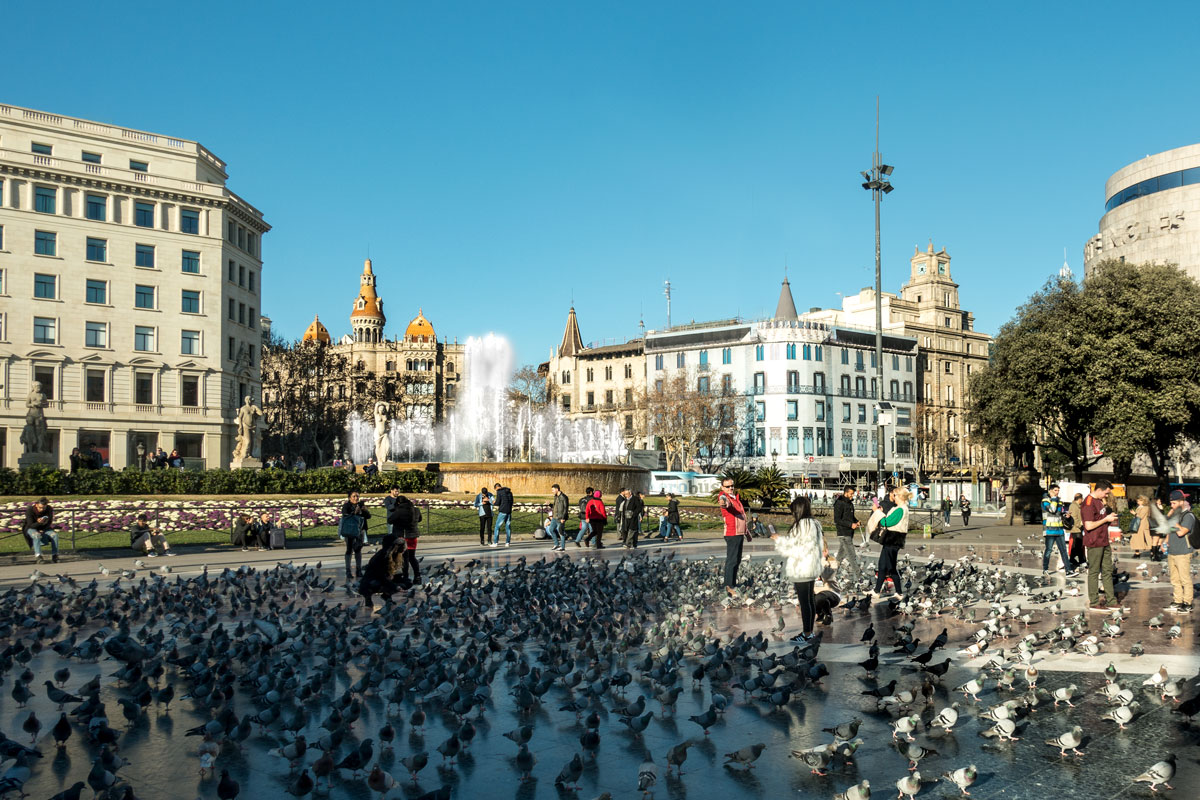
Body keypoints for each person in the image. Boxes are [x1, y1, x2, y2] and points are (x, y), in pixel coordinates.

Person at [771, 495, 828, 642]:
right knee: (809, 600)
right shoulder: (815, 524)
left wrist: (778, 540)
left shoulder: (801, 526)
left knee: (804, 603)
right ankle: (810, 632)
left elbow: (793, 549)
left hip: (801, 567)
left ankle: (807, 633)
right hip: (811, 566)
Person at [1081, 479, 1120, 610]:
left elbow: (1100, 520)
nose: (1107, 496)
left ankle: (1111, 600)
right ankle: (1094, 602)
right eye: (1106, 493)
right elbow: (1089, 525)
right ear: (1099, 490)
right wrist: (1106, 519)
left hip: (1103, 540)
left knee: (1108, 571)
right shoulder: (1088, 503)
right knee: (1094, 572)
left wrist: (1109, 519)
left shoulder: (1099, 501)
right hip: (1094, 541)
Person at [871, 487, 911, 600]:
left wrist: (877, 512)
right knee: (883, 565)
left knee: (890, 566)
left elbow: (886, 522)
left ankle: (898, 592)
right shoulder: (899, 508)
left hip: (893, 539)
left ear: (901, 497)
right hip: (892, 540)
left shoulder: (900, 509)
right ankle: (877, 590)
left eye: (895, 495)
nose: (893, 497)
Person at [1164, 490, 1195, 613]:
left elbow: (1181, 532)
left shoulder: (1188, 516)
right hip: (1172, 550)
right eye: (1171, 503)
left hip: (1183, 551)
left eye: (1174, 503)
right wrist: (1166, 540)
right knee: (1174, 579)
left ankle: (1187, 603)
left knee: (1185, 579)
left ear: (1182, 502)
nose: (1172, 506)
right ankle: (1177, 601)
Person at [717, 478, 748, 596]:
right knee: (732, 560)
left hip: (739, 533)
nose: (730, 488)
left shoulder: (735, 498)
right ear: (722, 488)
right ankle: (728, 586)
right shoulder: (724, 497)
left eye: (732, 486)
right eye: (727, 486)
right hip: (732, 533)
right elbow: (726, 504)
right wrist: (724, 502)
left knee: (737, 559)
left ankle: (732, 584)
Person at [359, 538, 406, 611]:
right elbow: (381, 576)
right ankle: (368, 596)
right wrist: (395, 586)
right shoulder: (384, 556)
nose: (404, 548)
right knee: (382, 584)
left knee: (406, 583)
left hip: (382, 578)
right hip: (371, 580)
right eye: (403, 546)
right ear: (396, 546)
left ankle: (387, 596)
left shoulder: (394, 554)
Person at [387, 494, 421, 586]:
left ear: (398, 502)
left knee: (405, 558)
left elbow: (389, 520)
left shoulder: (399, 511)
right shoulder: (416, 510)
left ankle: (406, 578)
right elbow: (420, 519)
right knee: (412, 557)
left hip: (403, 537)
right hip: (413, 536)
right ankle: (417, 576)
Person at [1041, 484, 1074, 576]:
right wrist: (1054, 499)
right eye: (1055, 490)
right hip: (1049, 530)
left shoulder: (1059, 501)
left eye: (1058, 490)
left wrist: (1066, 515)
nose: (1057, 492)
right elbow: (1052, 509)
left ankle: (1068, 570)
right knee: (1048, 550)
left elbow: (1058, 513)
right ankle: (1045, 569)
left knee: (1063, 550)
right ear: (1050, 491)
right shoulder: (1045, 500)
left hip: (1059, 530)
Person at [832, 486, 862, 582]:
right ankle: (859, 579)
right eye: (851, 494)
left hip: (849, 533)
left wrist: (856, 521)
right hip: (843, 533)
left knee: (840, 557)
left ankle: (831, 574)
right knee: (852, 556)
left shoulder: (850, 504)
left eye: (853, 494)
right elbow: (837, 520)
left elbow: (850, 517)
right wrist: (850, 524)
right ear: (845, 493)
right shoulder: (839, 503)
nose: (852, 496)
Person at [339, 490, 370, 582]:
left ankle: (359, 569)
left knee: (358, 550)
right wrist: (355, 512)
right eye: (354, 496)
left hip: (360, 531)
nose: (356, 498)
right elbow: (345, 515)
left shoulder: (360, 506)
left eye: (357, 496)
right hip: (350, 530)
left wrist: (365, 510)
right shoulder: (346, 506)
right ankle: (348, 570)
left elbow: (368, 517)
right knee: (349, 550)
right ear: (349, 497)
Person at [24, 497, 57, 564]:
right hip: (31, 528)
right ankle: (38, 556)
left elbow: (49, 522)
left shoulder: (49, 508)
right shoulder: (30, 510)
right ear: (36, 505)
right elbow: (30, 525)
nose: (42, 510)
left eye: (44, 508)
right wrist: (39, 523)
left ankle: (55, 555)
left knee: (55, 535)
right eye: (40, 507)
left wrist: (43, 529)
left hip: (44, 528)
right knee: (36, 535)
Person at [1066, 492, 1086, 571]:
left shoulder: (1077, 506)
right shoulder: (1073, 506)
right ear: (1079, 499)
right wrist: (1079, 525)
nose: (1082, 500)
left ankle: (1075, 559)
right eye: (1082, 499)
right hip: (1076, 528)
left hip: (1078, 528)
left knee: (1077, 544)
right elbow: (1074, 518)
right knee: (1078, 544)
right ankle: (1077, 560)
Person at [491, 483, 514, 547]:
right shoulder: (509, 492)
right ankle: (507, 542)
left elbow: (498, 502)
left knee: (497, 527)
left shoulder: (499, 492)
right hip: (509, 511)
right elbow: (512, 501)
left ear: (496, 488)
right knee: (508, 527)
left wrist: (494, 503)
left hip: (503, 511)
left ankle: (495, 542)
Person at [548, 484, 569, 552]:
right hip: (554, 517)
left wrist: (563, 518)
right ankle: (556, 544)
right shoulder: (556, 497)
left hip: (560, 518)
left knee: (561, 532)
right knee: (551, 529)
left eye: (553, 490)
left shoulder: (564, 497)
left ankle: (562, 547)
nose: (552, 491)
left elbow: (565, 508)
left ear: (557, 489)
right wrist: (550, 505)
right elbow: (555, 506)